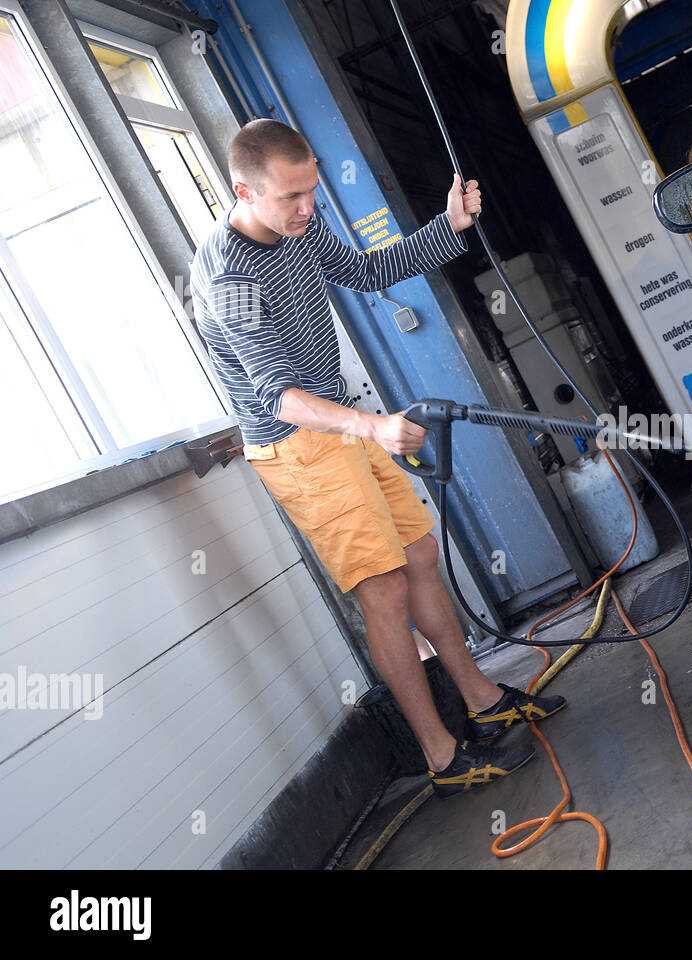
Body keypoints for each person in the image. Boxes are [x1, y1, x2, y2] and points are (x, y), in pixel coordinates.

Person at [190, 119, 562, 797]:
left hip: (342, 426)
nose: (308, 208)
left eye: (312, 190)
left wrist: (448, 225)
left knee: (419, 555)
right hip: (298, 445)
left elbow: (366, 272)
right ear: (244, 192)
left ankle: (481, 700)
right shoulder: (229, 277)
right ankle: (442, 757)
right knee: (383, 589)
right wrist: (373, 427)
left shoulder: (299, 228)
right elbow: (277, 396)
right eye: (291, 197)